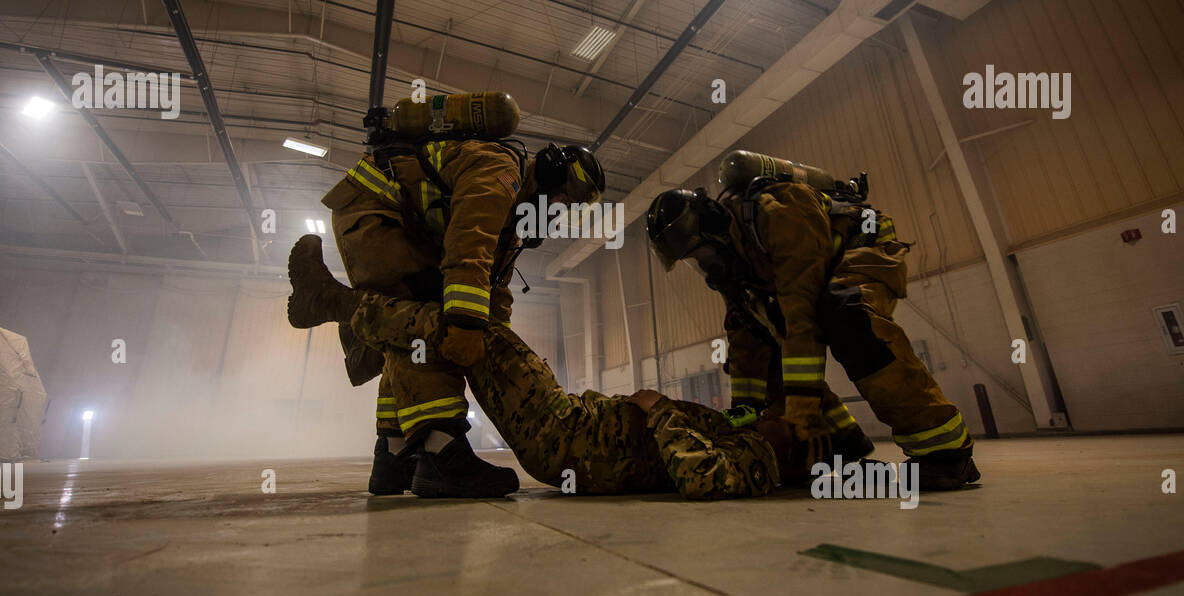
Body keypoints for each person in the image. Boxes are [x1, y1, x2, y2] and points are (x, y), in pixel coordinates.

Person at [287, 236, 856, 499]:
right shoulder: (749, 435)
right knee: (459, 333)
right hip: (572, 427)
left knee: (465, 331)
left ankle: (336, 305)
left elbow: (696, 478)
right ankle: (362, 346)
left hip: (566, 439)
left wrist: (657, 412)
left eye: (789, 421)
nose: (777, 412)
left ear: (798, 453)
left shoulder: (759, 465)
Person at [291, 102, 606, 498]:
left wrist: (493, 346)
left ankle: (393, 453)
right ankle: (442, 453)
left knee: (411, 333)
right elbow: (468, 247)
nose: (559, 214)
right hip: (379, 213)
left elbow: (495, 286)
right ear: (549, 176)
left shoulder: (515, 217)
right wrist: (468, 326)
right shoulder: (501, 172)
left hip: (388, 218)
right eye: (564, 201)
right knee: (439, 318)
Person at [645, 152, 980, 491]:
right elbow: (745, 339)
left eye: (697, 254)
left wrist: (800, 415)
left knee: (846, 314)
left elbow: (801, 315)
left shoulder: (779, 212)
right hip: (813, 272)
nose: (702, 266)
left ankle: (947, 452)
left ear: (714, 230)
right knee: (763, 333)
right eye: (690, 261)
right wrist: (745, 414)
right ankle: (840, 442)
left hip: (862, 244)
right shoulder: (733, 260)